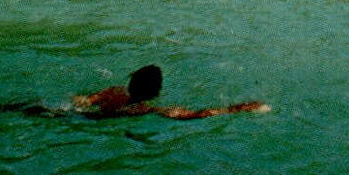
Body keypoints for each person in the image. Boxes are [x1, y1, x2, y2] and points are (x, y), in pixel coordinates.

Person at [72, 65, 268, 120]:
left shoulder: (112, 92)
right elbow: (198, 114)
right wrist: (241, 108)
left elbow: (81, 101)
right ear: (156, 91)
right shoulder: (144, 110)